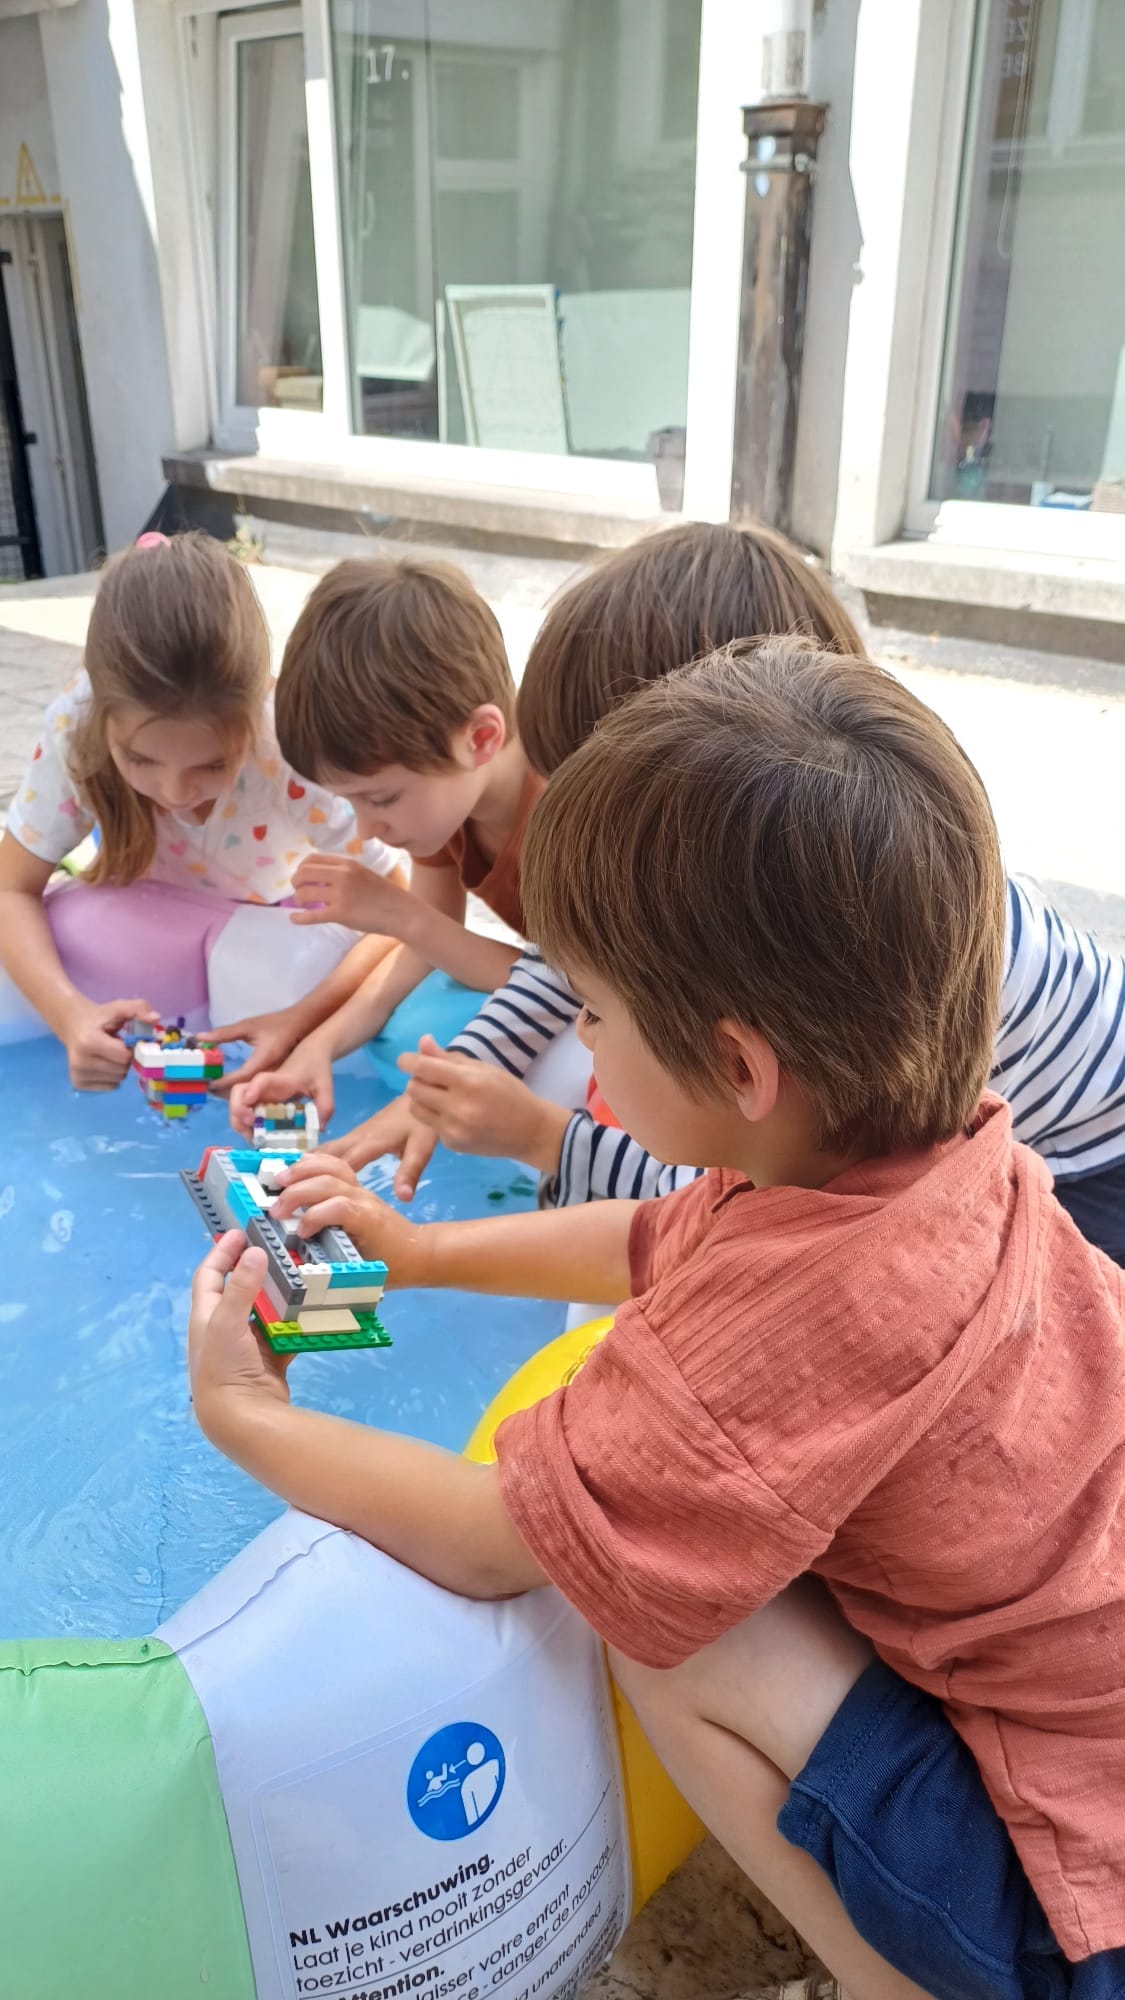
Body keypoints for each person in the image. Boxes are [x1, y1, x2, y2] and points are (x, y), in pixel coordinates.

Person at [190, 641, 1125, 1997]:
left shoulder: (761, 1348)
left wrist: (244, 1415)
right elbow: (654, 1233)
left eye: (600, 1010)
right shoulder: (956, 1153)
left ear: (738, 1066)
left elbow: (497, 1538)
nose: (590, 1044)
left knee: (658, 1615)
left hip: (1072, 1903)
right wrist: (418, 1251)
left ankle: (899, 1979)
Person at [328, 523, 1125, 1264]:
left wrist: (547, 1140)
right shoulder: (772, 865)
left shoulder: (848, 970)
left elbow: (751, 1207)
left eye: (605, 795)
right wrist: (459, 1074)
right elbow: (556, 965)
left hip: (1090, 1165)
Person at [0, 533, 404, 1090]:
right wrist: (68, 1014)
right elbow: (10, 887)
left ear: (253, 711)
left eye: (212, 767)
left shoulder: (287, 746)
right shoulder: (79, 723)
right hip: (146, 912)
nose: (174, 791)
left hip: (272, 917)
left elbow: (401, 909)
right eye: (139, 759)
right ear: (107, 722)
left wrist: (304, 1018)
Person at [225, 555, 543, 1134]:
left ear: (481, 737)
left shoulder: (567, 817)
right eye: (350, 802)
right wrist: (318, 1048)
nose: (366, 829)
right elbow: (423, 950)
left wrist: (399, 914)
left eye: (381, 798)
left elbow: (573, 985)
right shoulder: (448, 802)